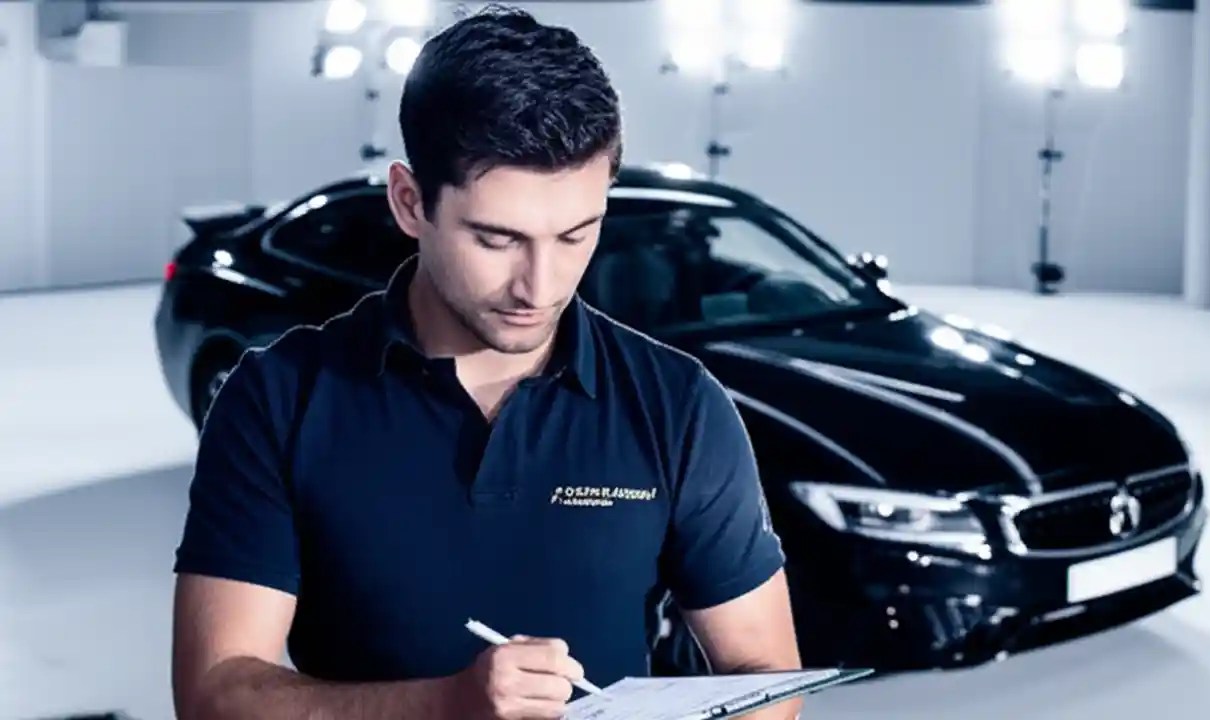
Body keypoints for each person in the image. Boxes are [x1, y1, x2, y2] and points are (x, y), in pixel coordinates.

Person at [170, 6, 802, 720]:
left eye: (575, 235)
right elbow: (214, 693)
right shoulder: (278, 399)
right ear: (410, 202)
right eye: (498, 240)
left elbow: (763, 674)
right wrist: (446, 706)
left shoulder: (677, 404)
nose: (542, 286)